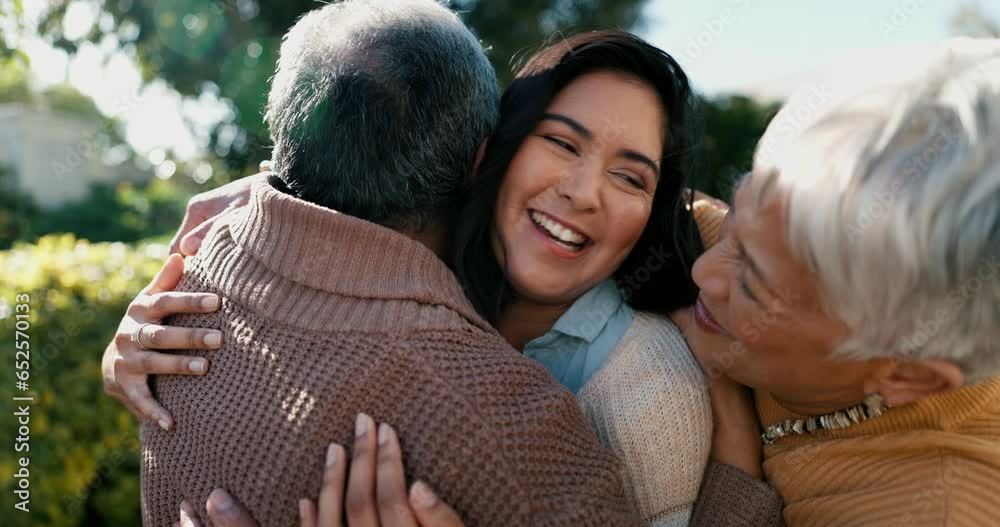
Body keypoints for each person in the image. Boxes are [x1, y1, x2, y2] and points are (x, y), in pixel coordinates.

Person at [106, 21, 785, 527]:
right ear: (492, 149)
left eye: (632, 176)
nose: (584, 191)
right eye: (561, 141)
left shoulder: (651, 398)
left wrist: (728, 415)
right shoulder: (423, 262)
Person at [688, 38, 1000, 524]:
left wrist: (733, 459)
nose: (703, 271)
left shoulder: (929, 510)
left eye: (751, 284)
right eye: (735, 220)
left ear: (908, 375)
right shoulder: (788, 247)